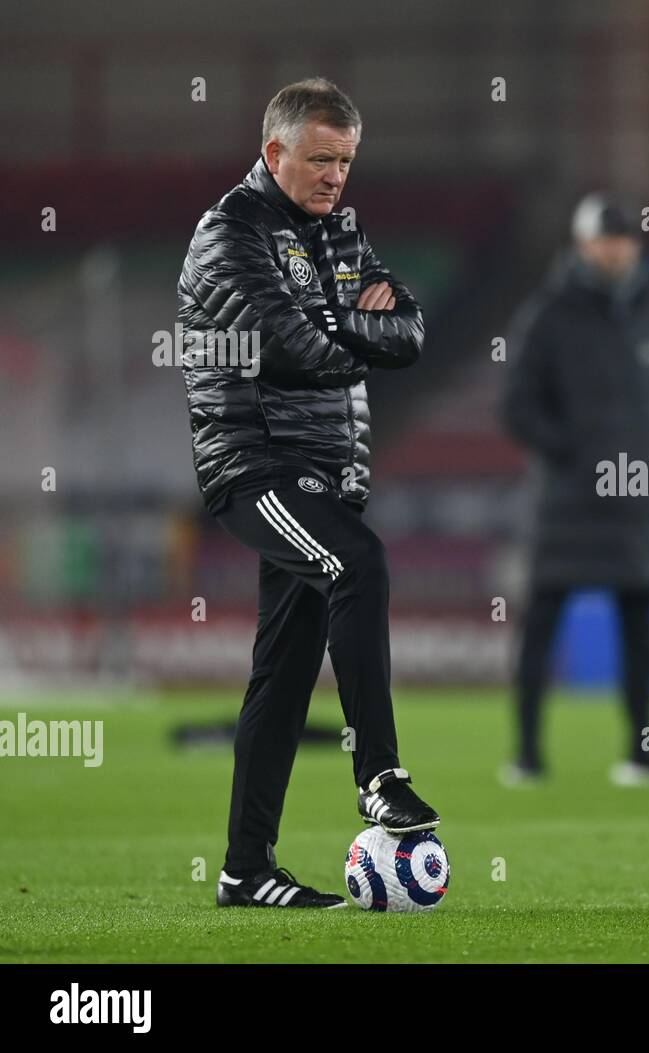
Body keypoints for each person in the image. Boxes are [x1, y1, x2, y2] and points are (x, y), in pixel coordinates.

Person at [177, 78, 438, 908]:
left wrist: (333, 319)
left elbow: (413, 330)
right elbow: (289, 348)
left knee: (284, 672)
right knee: (358, 563)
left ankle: (244, 869)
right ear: (273, 152)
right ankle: (380, 775)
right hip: (254, 461)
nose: (335, 177)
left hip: (326, 468)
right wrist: (348, 321)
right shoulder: (230, 231)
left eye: (347, 161)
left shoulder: (340, 233)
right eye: (321, 158)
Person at [500, 193, 649, 786]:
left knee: (641, 630)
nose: (616, 250)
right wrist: (575, 459)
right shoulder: (548, 316)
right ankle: (527, 755)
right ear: (582, 247)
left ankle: (640, 751)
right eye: (606, 240)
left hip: (638, 502)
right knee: (543, 626)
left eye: (625, 239)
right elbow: (517, 407)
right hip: (568, 505)